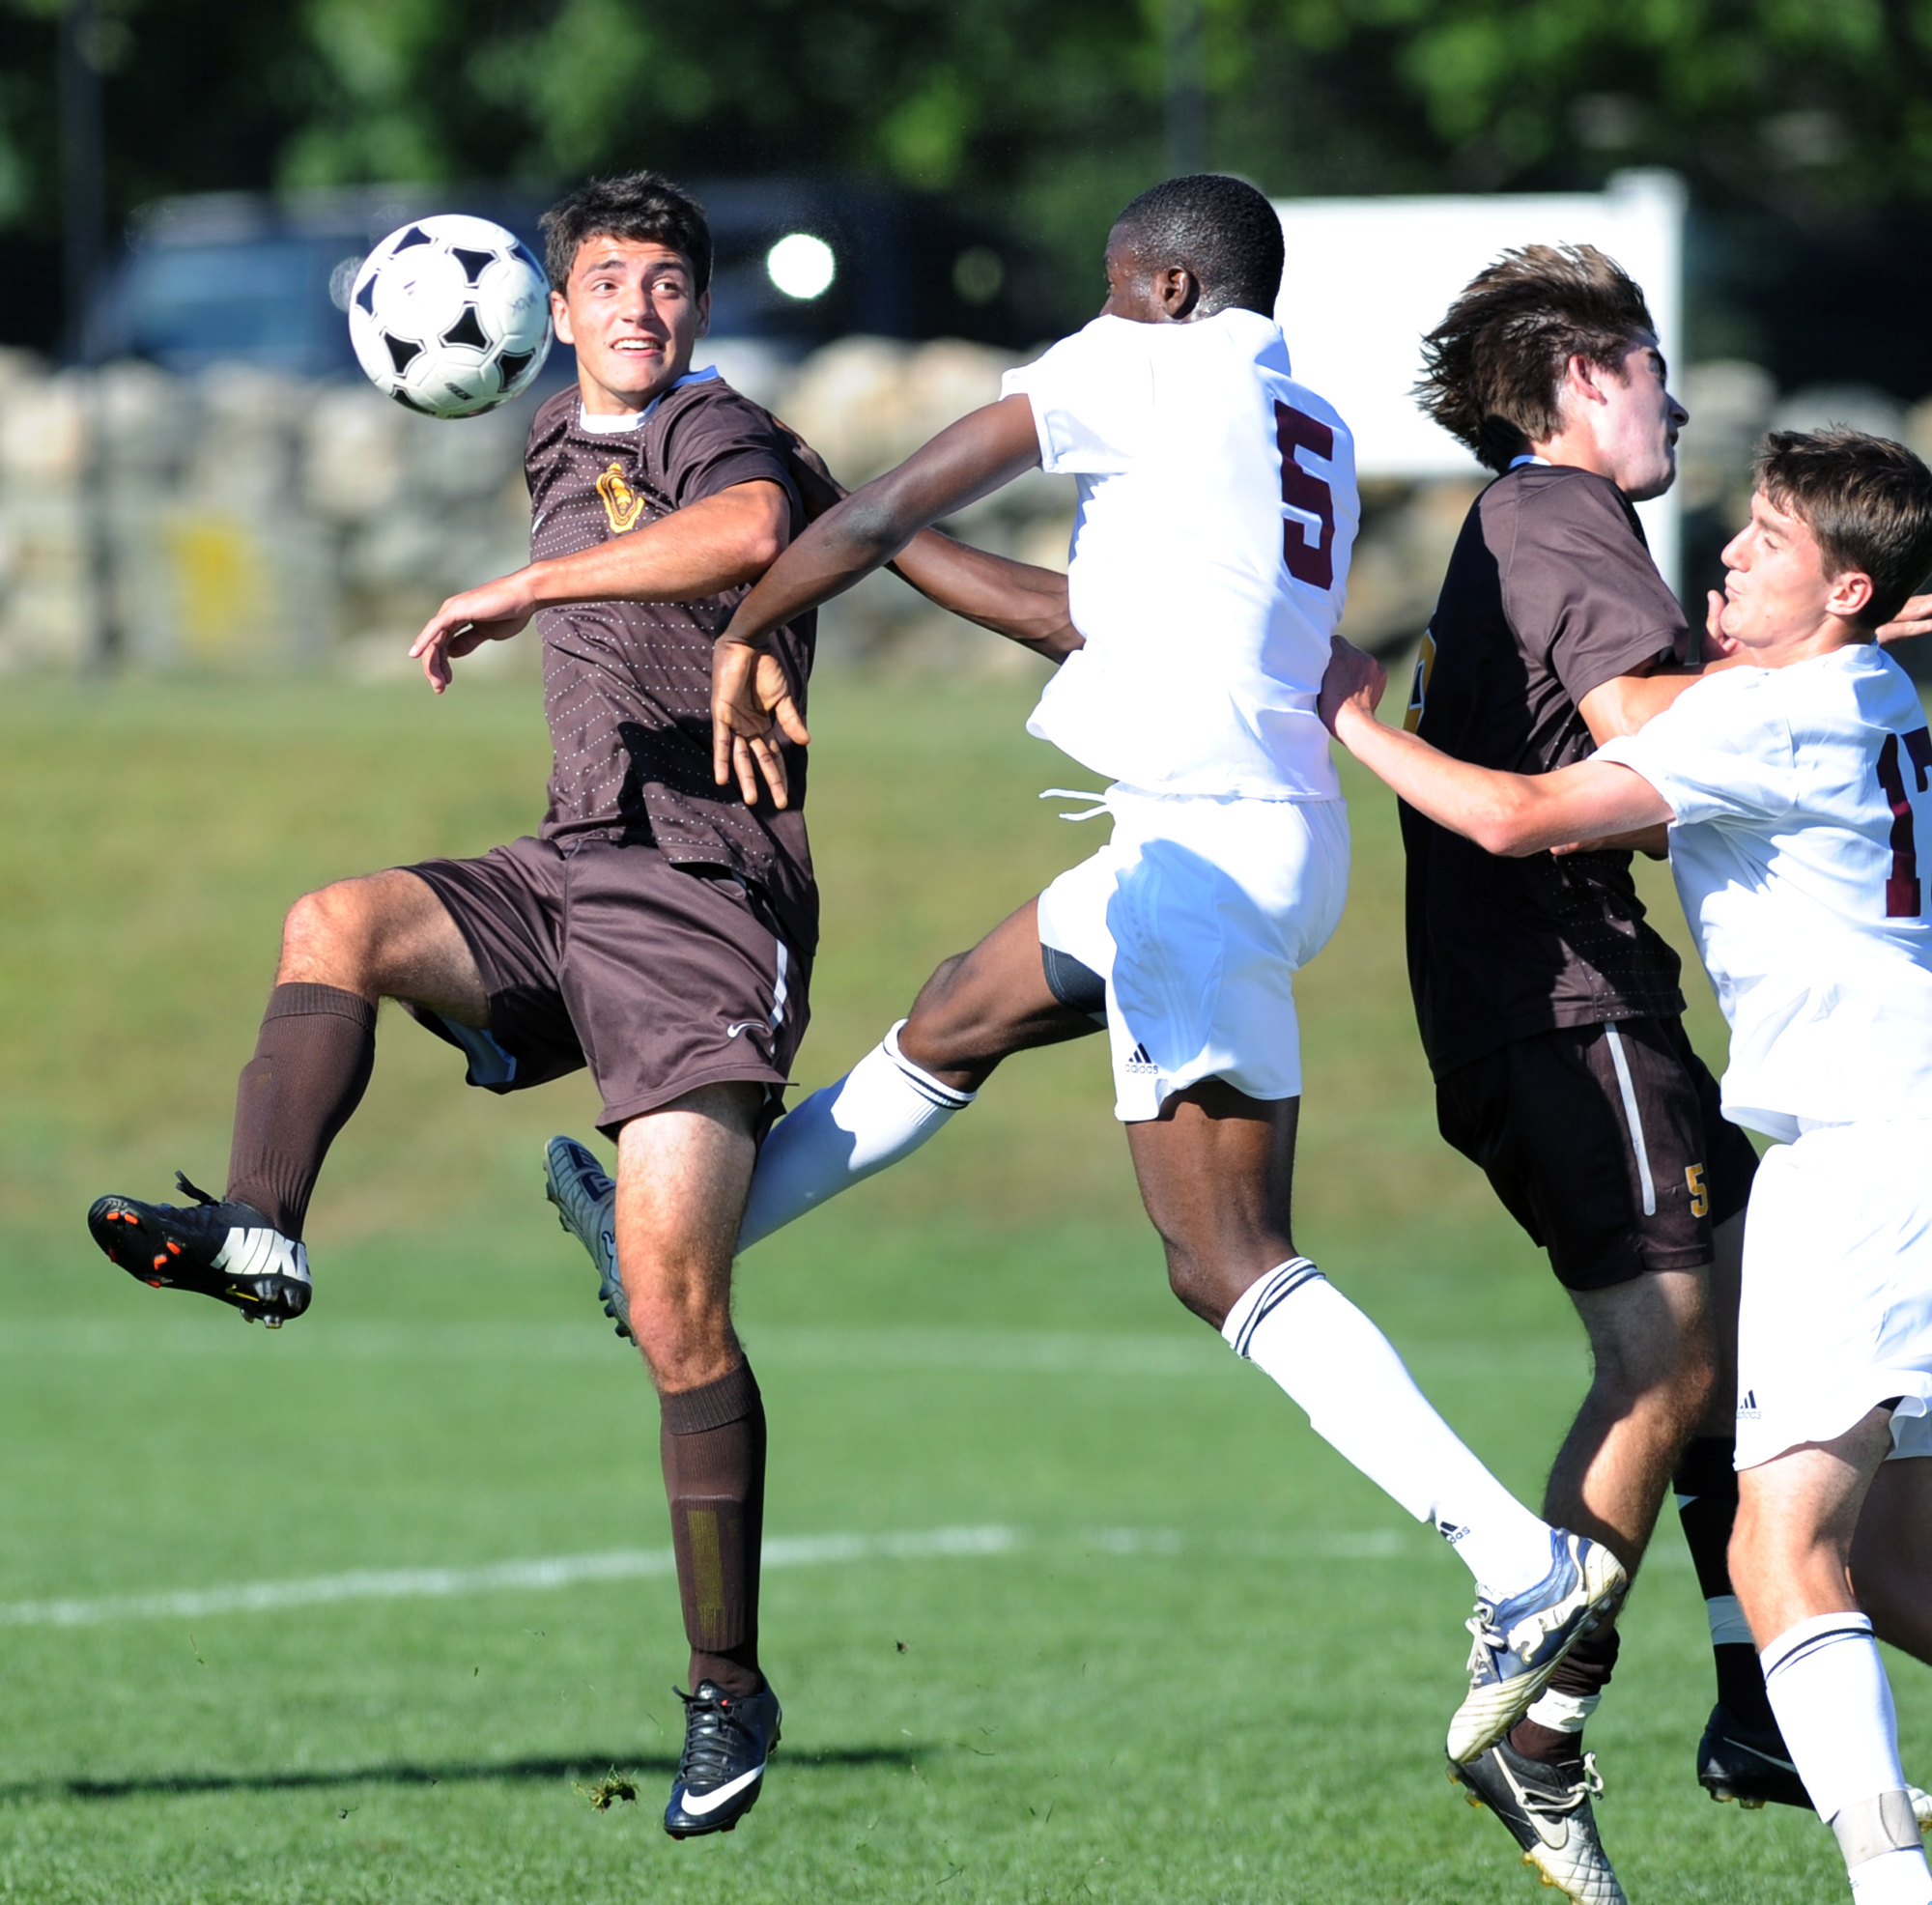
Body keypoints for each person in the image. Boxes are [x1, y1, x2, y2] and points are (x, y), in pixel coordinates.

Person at [556, 171, 1631, 1777]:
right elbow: (1084, 619)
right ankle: (663, 1252)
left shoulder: (1143, 363)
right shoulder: (1301, 421)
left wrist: (748, 628)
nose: (1100, 314)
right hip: (1248, 838)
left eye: (1117, 287)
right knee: (958, 1009)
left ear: (1171, 289)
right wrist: (885, 548)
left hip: (1198, 853)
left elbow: (874, 513)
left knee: (1224, 1255)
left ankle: (1515, 1560)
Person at [82, 169, 1077, 1842]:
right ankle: (261, 1225)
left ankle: (726, 1693)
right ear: (555, 310)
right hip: (566, 875)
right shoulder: (558, 433)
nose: (639, 306)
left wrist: (521, 589)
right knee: (336, 919)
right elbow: (864, 539)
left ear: (697, 306)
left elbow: (763, 530)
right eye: (608, 281)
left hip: (703, 903)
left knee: (676, 1304)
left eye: (666, 279)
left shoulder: (711, 426)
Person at [1319, 425, 1932, 1905]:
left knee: (1787, 1556)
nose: (1726, 551)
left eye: (1768, 539)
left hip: (1867, 1152)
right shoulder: (1886, 695)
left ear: (1847, 592)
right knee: (1900, 1566)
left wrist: (1352, 712)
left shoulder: (1773, 720)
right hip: (1891, 1135)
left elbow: (1515, 818)